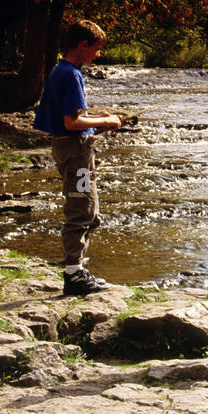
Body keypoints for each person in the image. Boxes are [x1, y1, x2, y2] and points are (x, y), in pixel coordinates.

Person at [32, 19, 123, 296]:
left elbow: (76, 118)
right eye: (96, 49)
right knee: (80, 210)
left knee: (89, 212)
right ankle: (73, 274)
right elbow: (73, 122)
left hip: (74, 150)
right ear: (83, 45)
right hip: (75, 151)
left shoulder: (63, 70)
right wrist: (107, 118)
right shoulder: (71, 74)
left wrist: (100, 121)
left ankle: (79, 268)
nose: (98, 55)